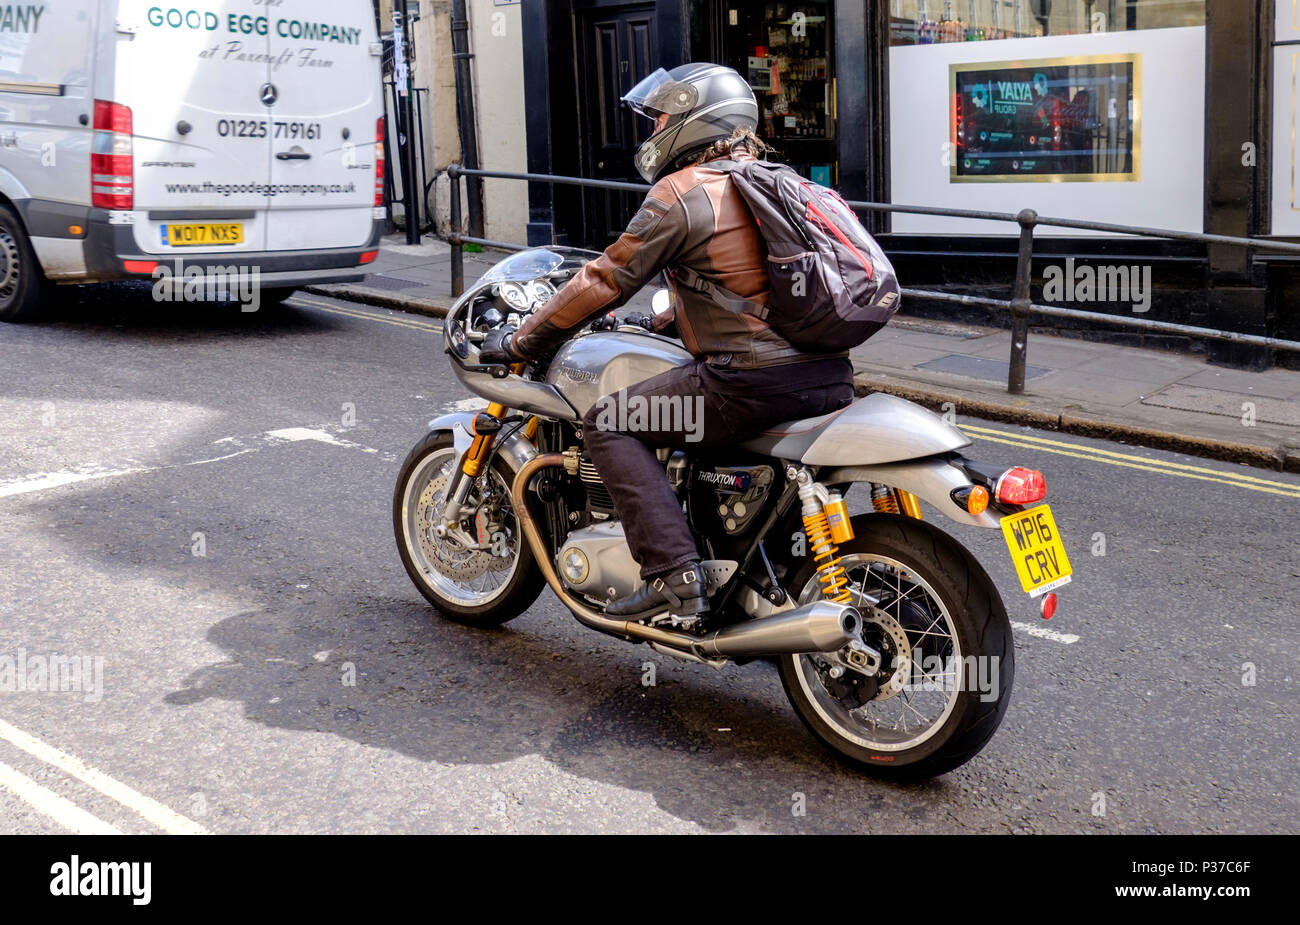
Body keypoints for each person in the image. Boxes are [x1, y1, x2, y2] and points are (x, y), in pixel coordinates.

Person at [480, 63, 853, 622]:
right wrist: (654, 326)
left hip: (748, 383)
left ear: (691, 121)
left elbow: (605, 279)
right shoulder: (786, 184)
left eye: (660, 118)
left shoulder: (684, 193)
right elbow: (744, 289)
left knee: (608, 422)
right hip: (828, 375)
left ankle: (674, 576)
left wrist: (524, 340)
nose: (652, 130)